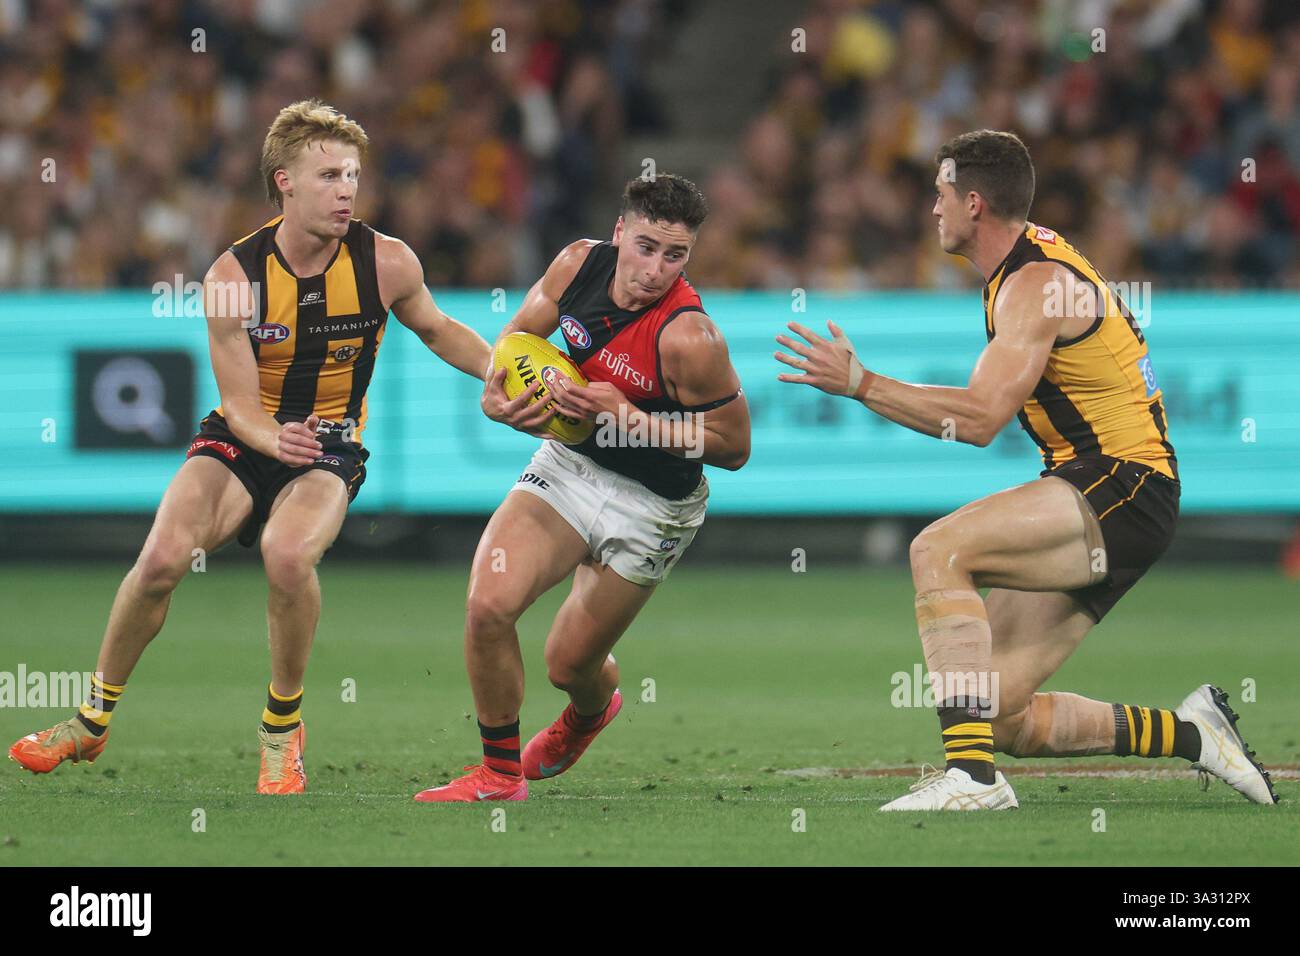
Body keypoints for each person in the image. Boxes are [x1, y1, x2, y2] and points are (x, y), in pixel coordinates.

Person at [775, 129, 1276, 810]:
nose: (933, 209)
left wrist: (862, 382)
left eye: (941, 194)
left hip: (1120, 484)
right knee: (999, 713)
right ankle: (1193, 734)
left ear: (975, 202)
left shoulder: (1035, 284)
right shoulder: (1029, 266)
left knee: (938, 549)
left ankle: (970, 781)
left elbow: (979, 419)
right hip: (1115, 489)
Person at [9, 100, 491, 794]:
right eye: (328, 175)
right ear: (284, 181)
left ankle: (281, 727)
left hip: (328, 445)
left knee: (288, 556)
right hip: (243, 436)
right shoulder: (234, 279)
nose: (347, 189)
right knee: (162, 559)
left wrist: (498, 368)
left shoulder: (387, 261)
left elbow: (441, 330)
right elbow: (238, 406)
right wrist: (271, 436)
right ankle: (91, 720)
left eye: (353, 174)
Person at [414, 174, 751, 802]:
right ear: (619, 231)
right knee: (488, 607)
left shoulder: (690, 338)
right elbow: (513, 350)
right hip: (569, 468)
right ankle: (498, 776)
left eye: (674, 255)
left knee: (568, 665)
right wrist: (497, 394)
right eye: (646, 246)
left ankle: (589, 713)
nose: (655, 269)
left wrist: (633, 418)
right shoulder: (576, 265)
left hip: (655, 506)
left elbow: (735, 445)